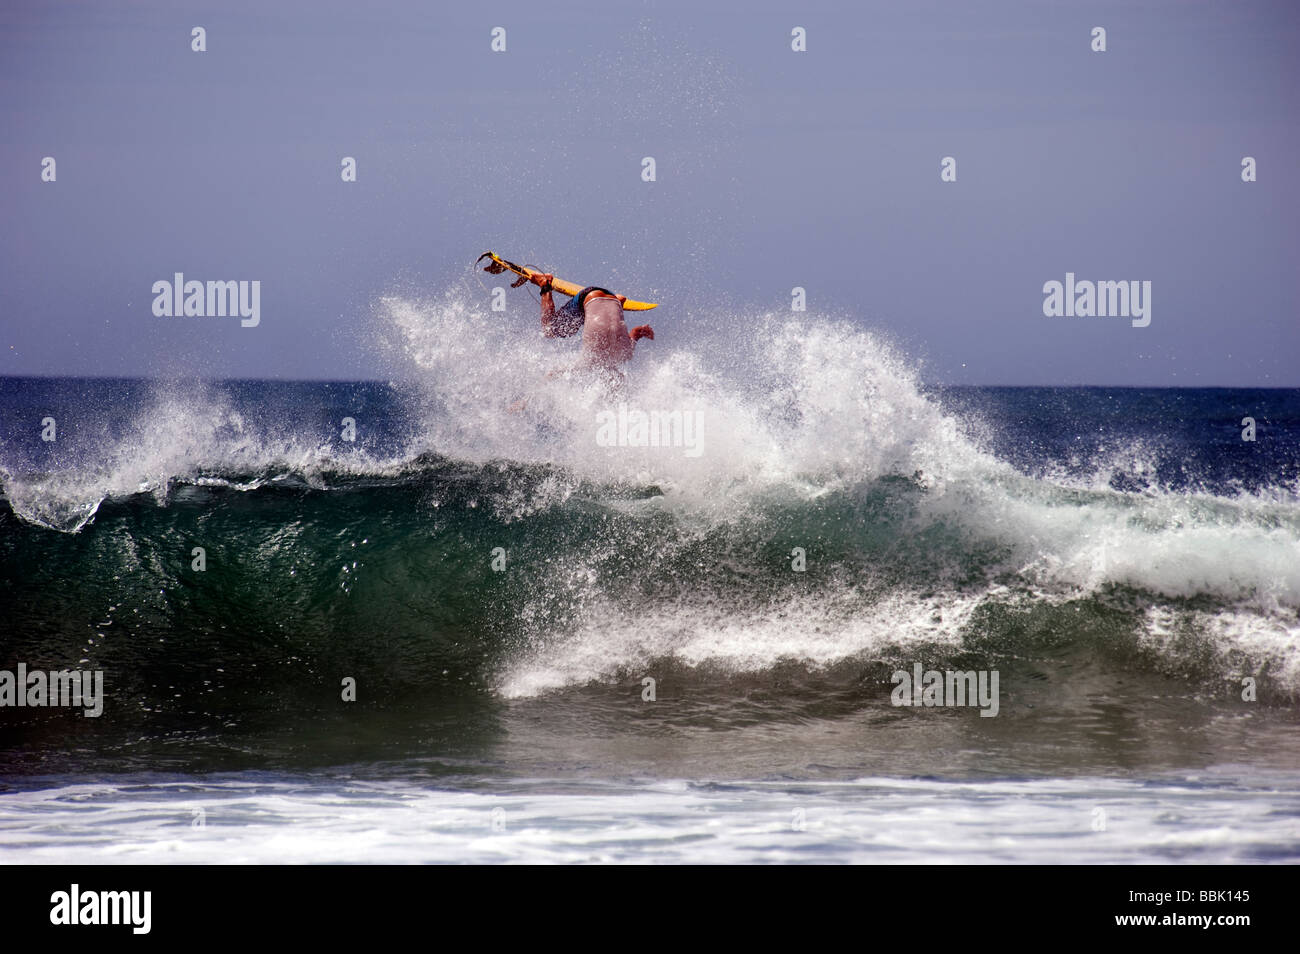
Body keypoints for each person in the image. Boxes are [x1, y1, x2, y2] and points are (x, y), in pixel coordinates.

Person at [527, 272, 654, 373]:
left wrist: (643, 331)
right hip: (588, 297)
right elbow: (554, 373)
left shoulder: (625, 354)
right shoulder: (590, 360)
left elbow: (635, 333)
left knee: (570, 330)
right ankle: (544, 283)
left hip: (612, 300)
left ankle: (619, 300)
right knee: (550, 330)